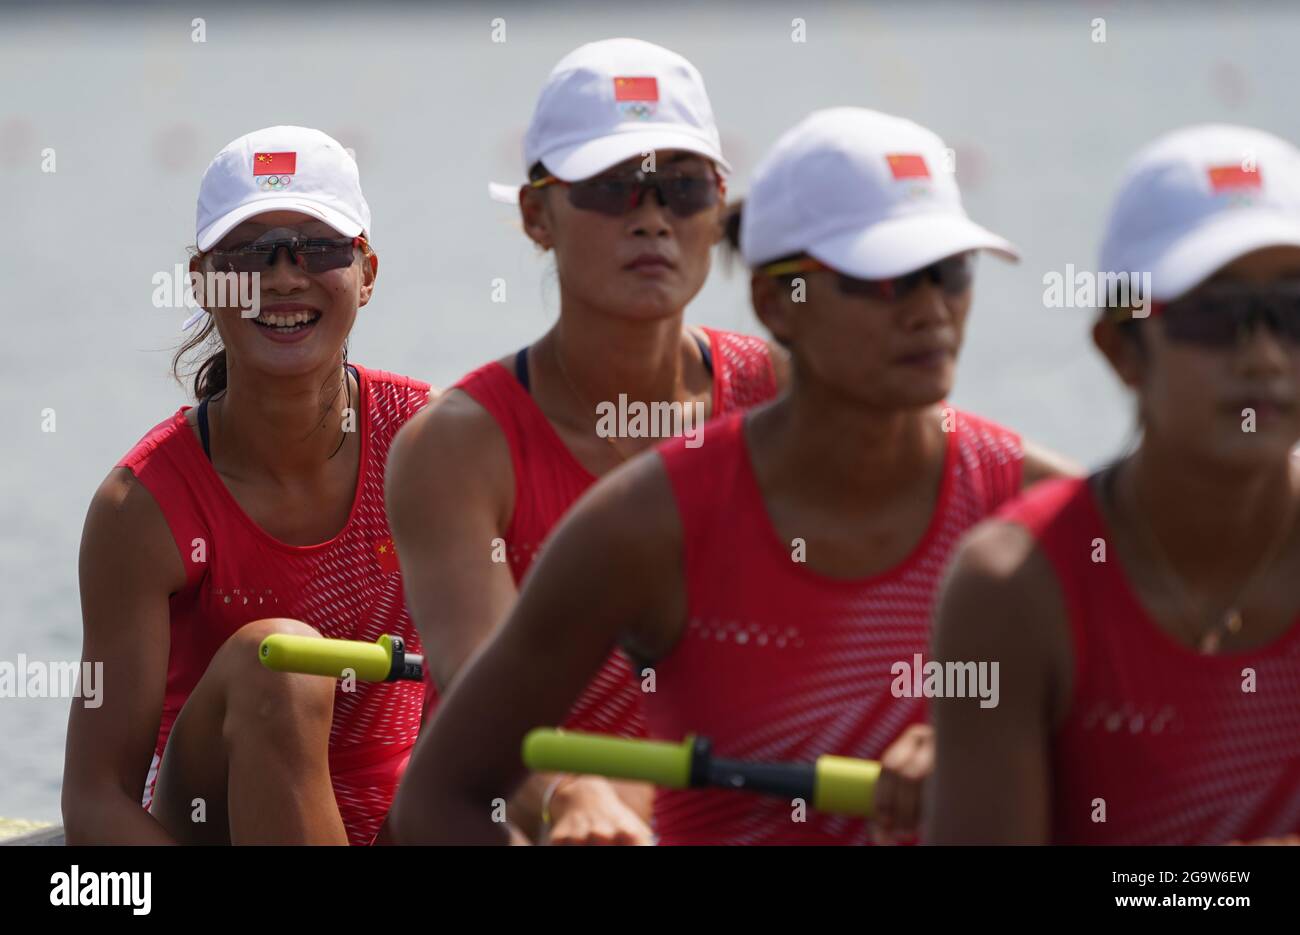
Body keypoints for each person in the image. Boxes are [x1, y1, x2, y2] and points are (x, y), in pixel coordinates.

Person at [395, 107, 1076, 845]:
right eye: (884, 281)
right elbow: (440, 798)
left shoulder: (1038, 500)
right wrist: (570, 794)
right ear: (777, 301)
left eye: (949, 272)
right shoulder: (643, 517)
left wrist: (993, 738)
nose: (930, 311)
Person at [388, 38, 787, 846]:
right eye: (611, 188)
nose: (651, 217)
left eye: (681, 187)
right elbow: (481, 700)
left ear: (718, 209)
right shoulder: (456, 446)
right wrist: (573, 793)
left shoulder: (781, 390)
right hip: (524, 812)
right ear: (538, 215)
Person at [926, 123, 1300, 845]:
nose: (1263, 357)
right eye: (1213, 316)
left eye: (1292, 313)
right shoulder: (1009, 585)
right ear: (1121, 347)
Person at [63, 126, 433, 845]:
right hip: (212, 820)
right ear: (204, 280)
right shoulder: (139, 508)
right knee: (283, 659)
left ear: (368, 272)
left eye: (320, 248)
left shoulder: (432, 443)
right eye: (249, 254)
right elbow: (95, 805)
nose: (285, 278)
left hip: (412, 819)